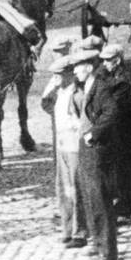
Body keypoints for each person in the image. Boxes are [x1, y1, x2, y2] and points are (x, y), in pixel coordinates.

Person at [73, 50, 125, 260]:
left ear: (88, 67)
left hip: (97, 149)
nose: (75, 71)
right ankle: (97, 242)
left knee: (100, 199)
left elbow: (112, 112)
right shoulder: (87, 86)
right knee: (89, 197)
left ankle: (107, 250)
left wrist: (93, 133)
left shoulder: (101, 87)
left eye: (78, 67)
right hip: (87, 149)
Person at [42, 51, 88, 246]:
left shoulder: (78, 95)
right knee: (63, 189)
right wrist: (51, 88)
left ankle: (80, 231)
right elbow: (46, 105)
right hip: (62, 146)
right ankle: (67, 228)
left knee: (77, 188)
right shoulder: (60, 93)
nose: (55, 79)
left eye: (58, 75)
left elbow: (85, 120)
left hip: (75, 147)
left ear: (69, 74)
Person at [100, 43, 131, 224]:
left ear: (117, 60)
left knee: (125, 172)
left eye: (108, 60)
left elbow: (114, 104)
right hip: (128, 130)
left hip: (126, 132)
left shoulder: (123, 80)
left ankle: (127, 210)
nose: (104, 64)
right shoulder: (119, 75)